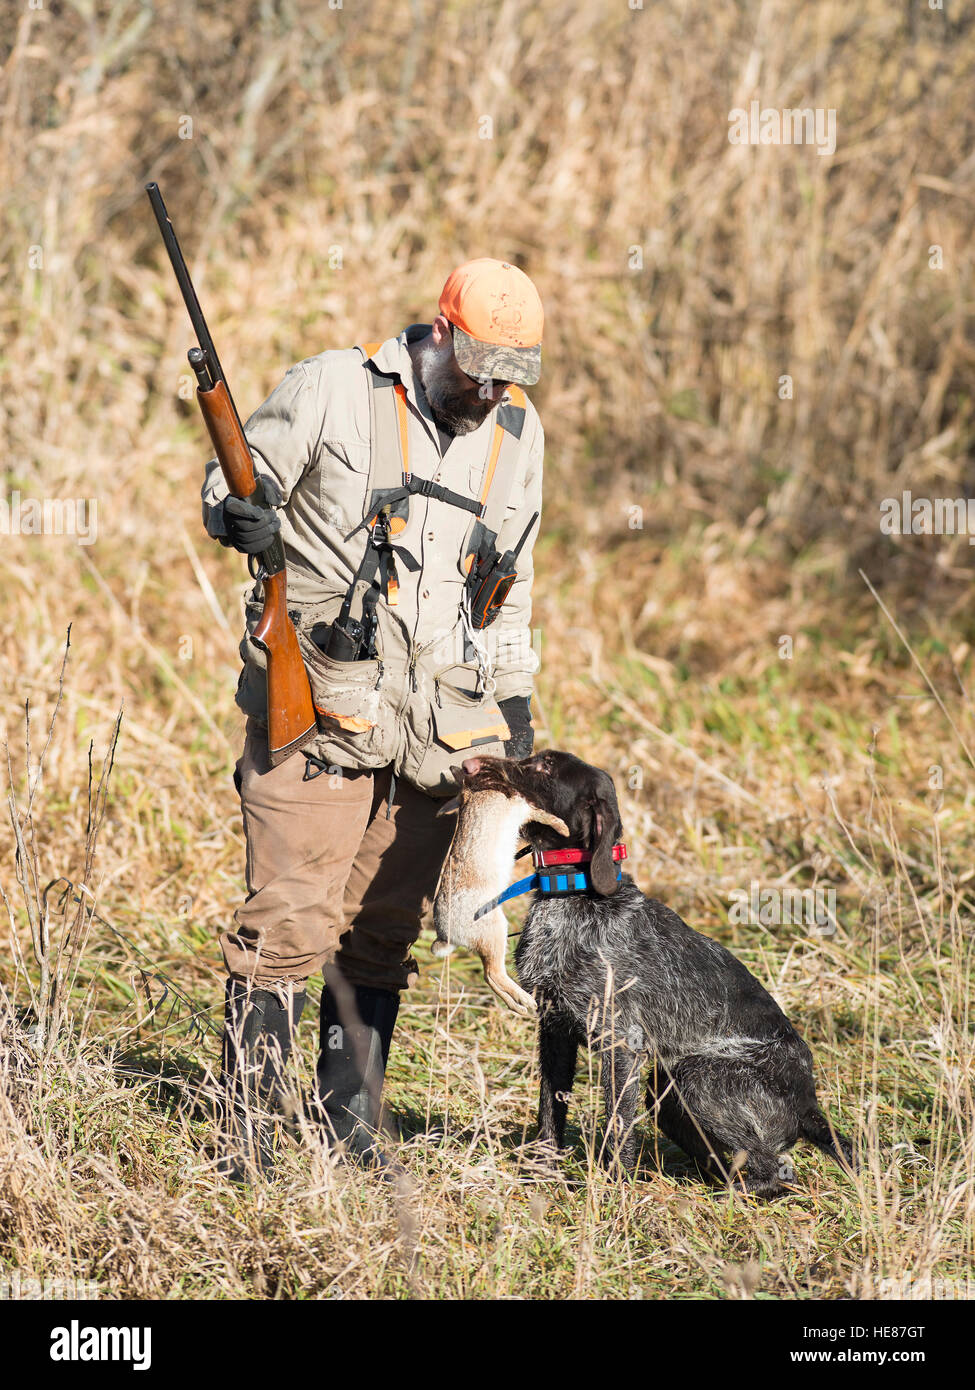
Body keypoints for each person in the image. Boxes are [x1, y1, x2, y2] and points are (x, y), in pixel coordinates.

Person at [200, 258, 545, 1178]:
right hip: (319, 708)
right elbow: (232, 481)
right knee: (287, 924)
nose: (490, 390)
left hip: (443, 734)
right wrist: (241, 517)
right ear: (437, 334)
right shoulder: (331, 389)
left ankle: (348, 1123)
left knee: (382, 932)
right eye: (477, 369)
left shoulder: (518, 431)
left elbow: (509, 595)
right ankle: (247, 1136)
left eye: (509, 374)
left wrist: (513, 729)